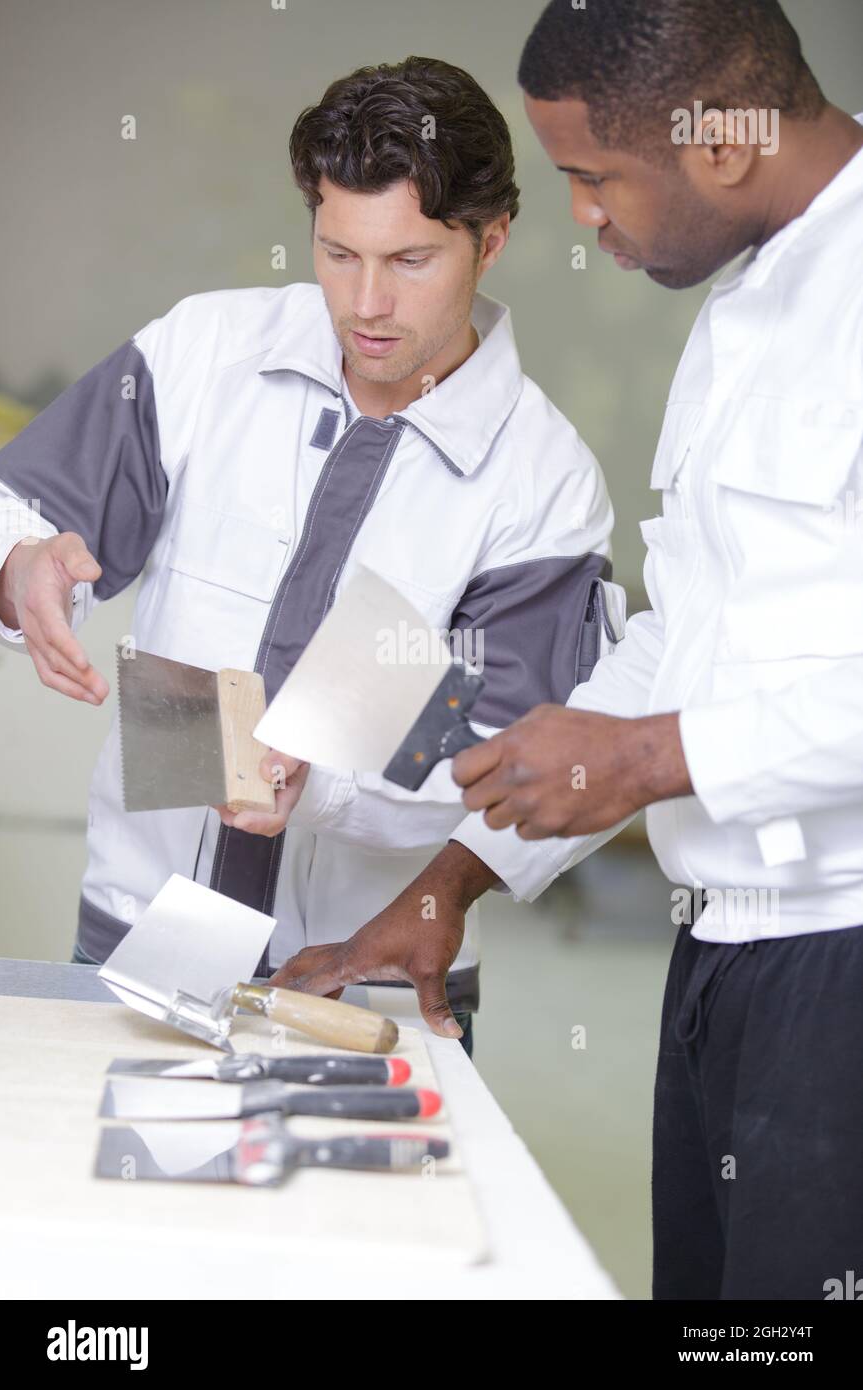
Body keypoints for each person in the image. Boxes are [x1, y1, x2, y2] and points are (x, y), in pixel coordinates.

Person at [276, 1, 863, 1299]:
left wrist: (653, 754)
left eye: (594, 179)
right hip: (723, 961)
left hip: (841, 963)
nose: (585, 222)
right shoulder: (747, 306)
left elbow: (666, 724)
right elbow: (687, 635)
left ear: (715, 143)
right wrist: (456, 880)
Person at [0, 57, 624, 1057]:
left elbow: (513, 758)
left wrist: (321, 782)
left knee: (351, 1216)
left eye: (409, 261)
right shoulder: (203, 349)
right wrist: (17, 562)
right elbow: (19, 505)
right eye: (337, 253)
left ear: (490, 241)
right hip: (137, 939)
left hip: (365, 982)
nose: (364, 302)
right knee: (110, 1202)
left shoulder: (542, 482)